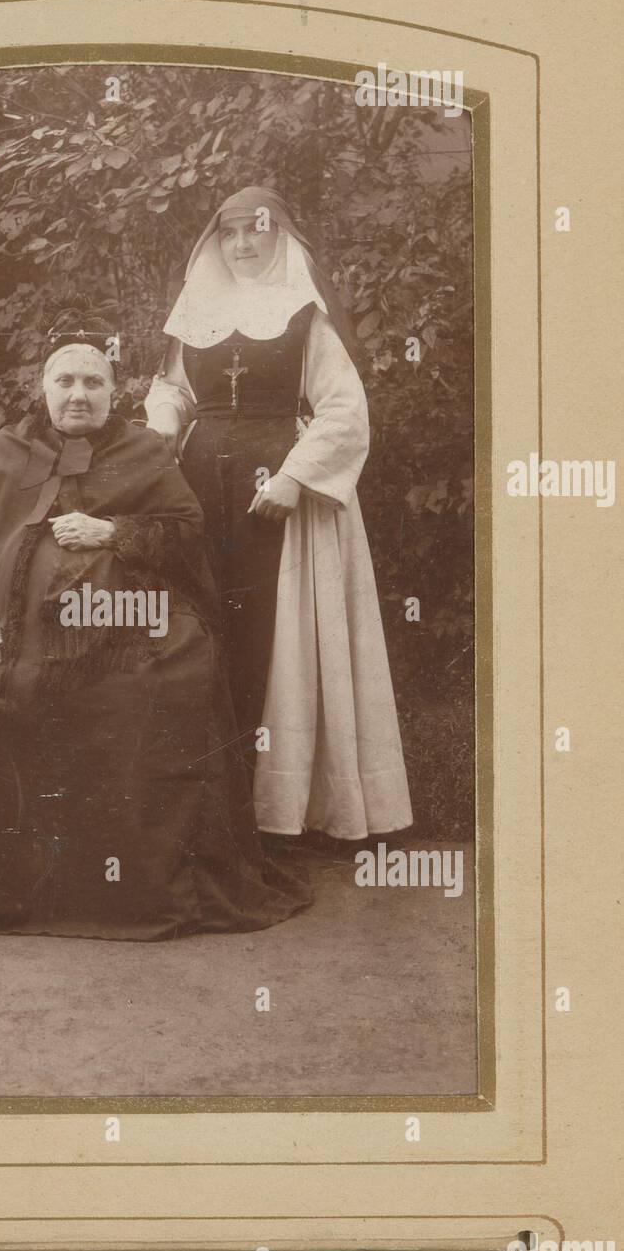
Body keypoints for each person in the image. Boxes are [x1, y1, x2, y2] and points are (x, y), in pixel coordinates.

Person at [0, 313, 311, 940]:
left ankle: (127, 889)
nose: (79, 395)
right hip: (9, 629)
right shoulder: (11, 448)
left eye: (93, 382)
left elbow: (184, 533)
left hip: (128, 626)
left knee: (154, 689)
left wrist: (114, 532)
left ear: (115, 392)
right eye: (65, 382)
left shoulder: (143, 450)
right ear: (44, 388)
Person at [144, 187, 412, 843]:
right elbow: (171, 392)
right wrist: (154, 444)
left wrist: (295, 476)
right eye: (229, 233)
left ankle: (286, 810)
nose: (241, 245)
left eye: (253, 232)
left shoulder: (303, 315)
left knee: (283, 640)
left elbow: (344, 409)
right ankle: (218, 805)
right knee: (209, 630)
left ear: (278, 237)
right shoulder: (198, 313)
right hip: (202, 490)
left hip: (281, 505)